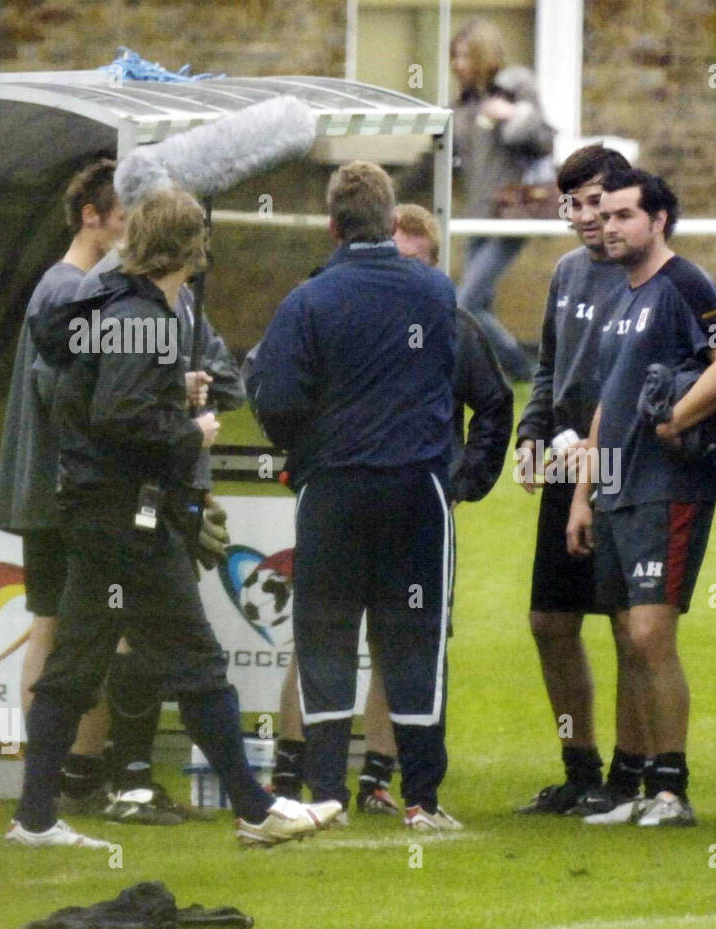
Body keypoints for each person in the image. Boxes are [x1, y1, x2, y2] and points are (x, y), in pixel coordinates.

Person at [6, 188, 341, 849]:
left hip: (93, 507)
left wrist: (168, 393)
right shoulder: (150, 316)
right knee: (197, 662)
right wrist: (192, 427)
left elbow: (95, 393)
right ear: (193, 246)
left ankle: (36, 817)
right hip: (130, 512)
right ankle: (255, 808)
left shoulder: (109, 306)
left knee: (73, 667)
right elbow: (119, 415)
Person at [267, 202, 512, 815]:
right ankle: (310, 781)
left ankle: (372, 783)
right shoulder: (388, 303)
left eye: (413, 262)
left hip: (387, 494)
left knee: (393, 642)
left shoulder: (437, 317)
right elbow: (273, 385)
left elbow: (494, 403)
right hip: (398, 493)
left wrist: (465, 479)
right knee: (347, 639)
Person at [249, 162, 461, 832]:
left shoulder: (309, 299)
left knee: (328, 635)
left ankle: (325, 793)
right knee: (416, 639)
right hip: (416, 490)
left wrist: (308, 445)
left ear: (334, 225)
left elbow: (276, 398)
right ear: (392, 220)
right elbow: (468, 380)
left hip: (334, 489)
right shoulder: (435, 292)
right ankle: (422, 797)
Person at [566, 168, 716, 827]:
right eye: (604, 214)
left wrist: (678, 419)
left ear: (658, 221)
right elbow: (608, 405)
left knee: (649, 631)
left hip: (666, 488)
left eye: (623, 215)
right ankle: (642, 784)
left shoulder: (683, 284)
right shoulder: (625, 295)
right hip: (617, 488)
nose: (609, 225)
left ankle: (673, 788)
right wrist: (582, 494)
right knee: (627, 634)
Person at [66, 203, 246, 826]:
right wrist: (184, 425)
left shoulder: (176, 304)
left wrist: (184, 392)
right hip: (125, 503)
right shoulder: (115, 304)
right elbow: (102, 408)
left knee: (93, 653)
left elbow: (227, 381)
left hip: (151, 496)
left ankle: (60, 800)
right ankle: (124, 780)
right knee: (168, 652)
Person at [511, 144, 656, 817]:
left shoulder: (652, 279)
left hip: (623, 470)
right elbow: (549, 368)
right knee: (550, 621)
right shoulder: (567, 272)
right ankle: (580, 764)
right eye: (574, 202)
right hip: (565, 463)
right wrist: (529, 435)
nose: (586, 215)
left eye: (597, 200)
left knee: (630, 628)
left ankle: (632, 774)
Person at [0, 158, 126, 813]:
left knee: (63, 629)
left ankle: (63, 776)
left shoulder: (63, 286)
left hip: (52, 492)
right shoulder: (67, 290)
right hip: (62, 493)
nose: (130, 227)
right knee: (63, 631)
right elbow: (58, 389)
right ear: (91, 217)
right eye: (122, 214)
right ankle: (59, 776)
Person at [450, 17, 555, 383]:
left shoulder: (514, 87)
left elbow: (545, 140)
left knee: (465, 304)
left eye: (465, 55)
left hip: (512, 215)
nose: (457, 64)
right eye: (454, 56)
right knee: (480, 305)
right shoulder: (463, 106)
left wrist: (513, 115)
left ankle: (522, 368)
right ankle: (492, 377)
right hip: (475, 217)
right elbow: (439, 161)